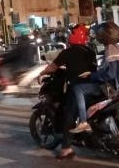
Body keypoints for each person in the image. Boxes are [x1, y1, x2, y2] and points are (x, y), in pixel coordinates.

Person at [39, 24, 97, 160]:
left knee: (68, 114)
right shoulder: (90, 52)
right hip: (93, 87)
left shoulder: (68, 52)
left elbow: (53, 66)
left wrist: (41, 73)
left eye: (72, 33)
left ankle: (66, 148)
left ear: (75, 36)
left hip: (78, 89)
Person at [67, 22, 119, 136]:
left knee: (78, 88)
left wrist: (91, 76)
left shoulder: (110, 50)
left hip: (114, 87)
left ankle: (83, 122)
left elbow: (110, 74)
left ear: (103, 36)